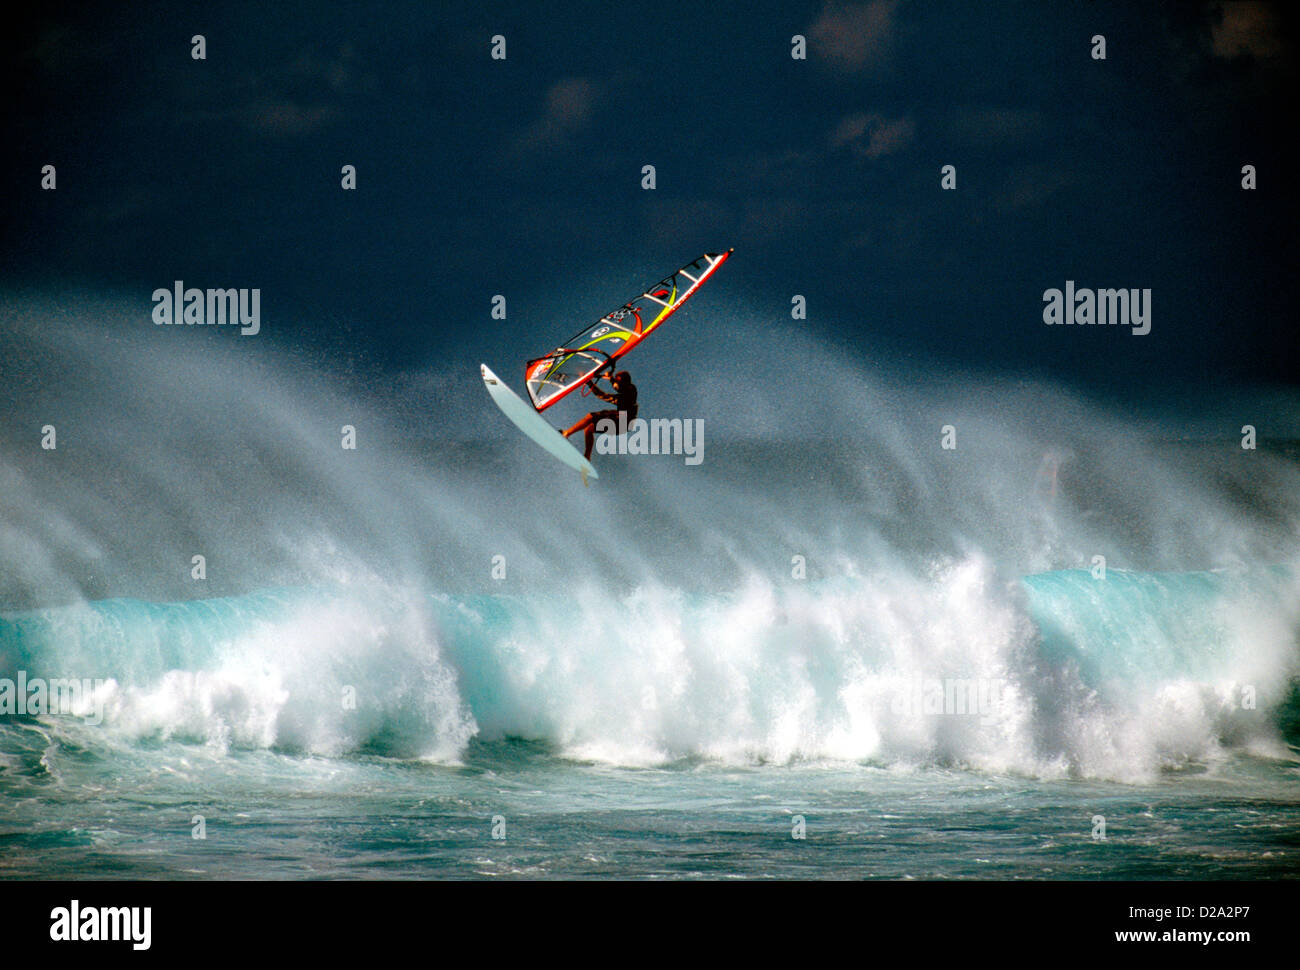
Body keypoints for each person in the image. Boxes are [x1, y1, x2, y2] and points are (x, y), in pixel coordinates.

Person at [562, 370, 637, 460]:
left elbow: (602, 395)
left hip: (623, 423)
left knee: (590, 416)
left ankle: (567, 434)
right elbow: (618, 386)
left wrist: (590, 383)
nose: (616, 384)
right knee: (589, 429)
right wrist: (611, 378)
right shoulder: (630, 388)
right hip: (622, 418)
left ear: (624, 383)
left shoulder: (626, 396)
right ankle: (587, 456)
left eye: (619, 382)